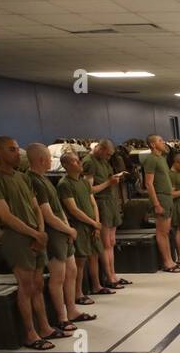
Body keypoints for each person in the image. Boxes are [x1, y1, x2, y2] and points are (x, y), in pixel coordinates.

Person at [0, 136, 59, 348]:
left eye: (17, 149)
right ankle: (30, 333)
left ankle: (44, 327)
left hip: (36, 235)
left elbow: (36, 207)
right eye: (11, 150)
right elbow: (6, 216)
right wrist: (35, 235)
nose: (17, 153)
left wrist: (41, 233)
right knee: (25, 286)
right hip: (16, 237)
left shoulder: (23, 177)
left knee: (38, 284)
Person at [25, 143, 92, 331]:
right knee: (58, 276)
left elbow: (58, 209)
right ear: (42, 159)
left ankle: (72, 310)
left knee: (71, 271)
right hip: (54, 233)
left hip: (62, 231)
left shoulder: (44, 179)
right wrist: (68, 230)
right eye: (48, 158)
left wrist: (67, 228)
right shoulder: (34, 181)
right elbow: (47, 214)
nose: (50, 161)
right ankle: (62, 317)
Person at [57, 151, 115, 301]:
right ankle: (78, 293)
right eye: (75, 161)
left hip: (92, 225)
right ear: (66, 165)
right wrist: (92, 222)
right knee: (80, 261)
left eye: (79, 160)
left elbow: (93, 202)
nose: (79, 164)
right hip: (80, 226)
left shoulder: (83, 182)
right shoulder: (65, 184)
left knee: (94, 256)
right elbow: (73, 209)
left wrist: (96, 223)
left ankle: (97, 286)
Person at [82, 139, 128, 288]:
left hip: (111, 202)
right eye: (107, 154)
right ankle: (109, 277)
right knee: (105, 243)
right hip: (101, 204)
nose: (108, 157)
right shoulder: (89, 162)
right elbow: (89, 190)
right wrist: (109, 183)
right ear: (100, 149)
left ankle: (113, 274)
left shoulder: (103, 161)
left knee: (112, 242)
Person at [141, 135, 180, 273]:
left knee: (166, 231)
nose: (163, 142)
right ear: (153, 145)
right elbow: (148, 183)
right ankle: (167, 262)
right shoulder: (151, 160)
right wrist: (156, 204)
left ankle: (170, 259)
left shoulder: (162, 159)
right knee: (162, 233)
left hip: (167, 197)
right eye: (160, 141)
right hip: (160, 198)